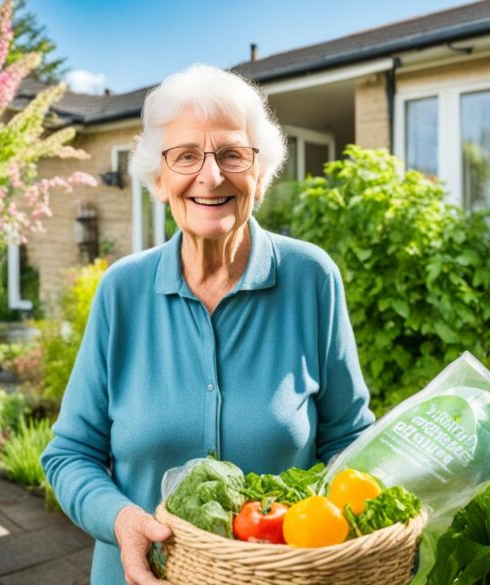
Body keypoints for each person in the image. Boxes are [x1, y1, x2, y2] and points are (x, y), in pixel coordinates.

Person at [40, 63, 374, 585]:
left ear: (260, 175)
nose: (211, 175)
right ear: (159, 178)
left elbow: (349, 442)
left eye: (232, 154)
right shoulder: (122, 291)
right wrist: (121, 520)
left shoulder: (311, 279)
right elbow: (71, 454)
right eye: (186, 156)